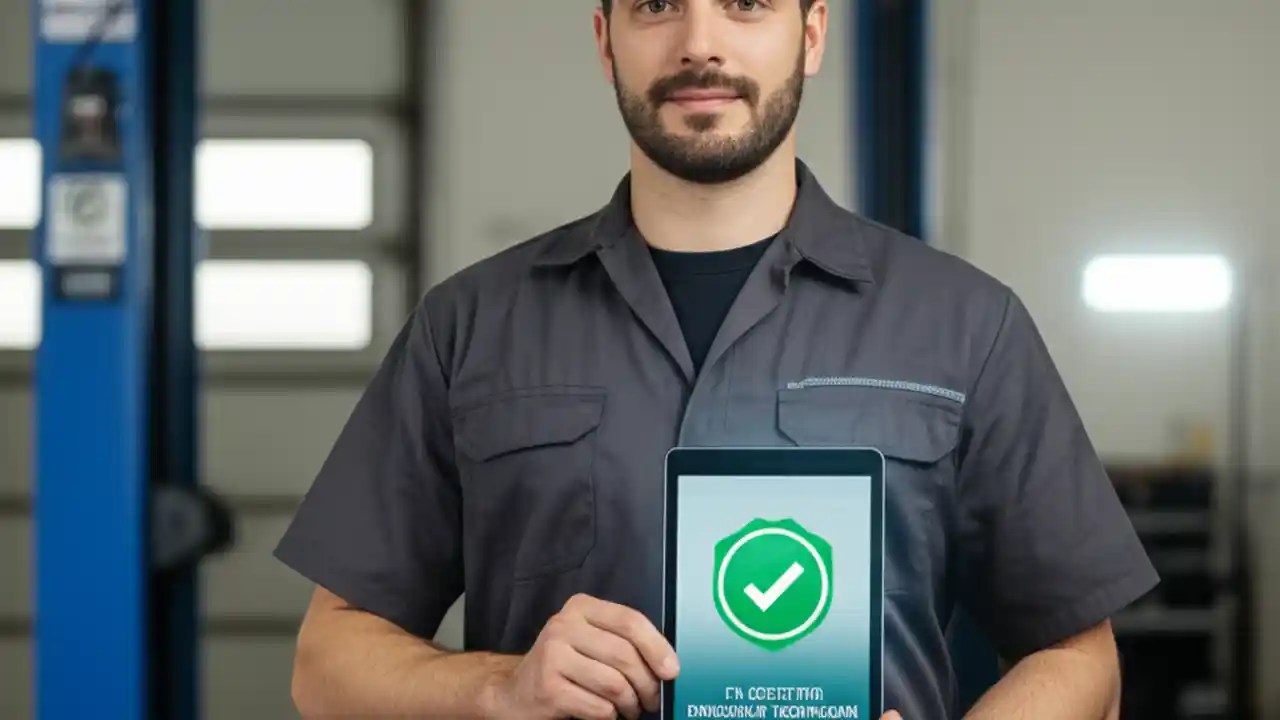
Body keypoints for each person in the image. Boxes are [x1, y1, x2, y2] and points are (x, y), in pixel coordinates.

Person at [275, 1, 1159, 718]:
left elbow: (1080, 658)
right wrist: (497, 688)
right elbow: (326, 663)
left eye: (745, 5)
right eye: (657, 6)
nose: (700, 44)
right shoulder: (470, 326)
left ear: (811, 34)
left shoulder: (967, 326)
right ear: (605, 40)